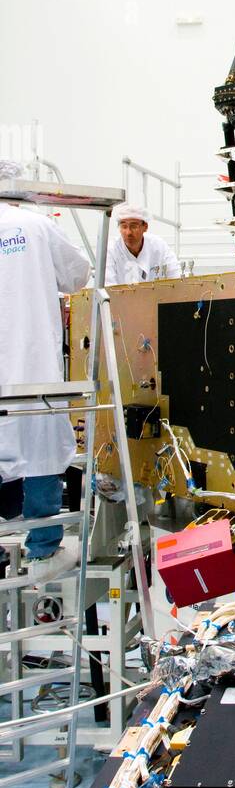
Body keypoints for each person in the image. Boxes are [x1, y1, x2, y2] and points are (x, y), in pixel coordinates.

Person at [0, 159, 92, 565]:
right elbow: (77, 276)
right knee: (39, 450)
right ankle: (42, 547)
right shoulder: (37, 226)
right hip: (32, 363)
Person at [105, 204, 181, 285]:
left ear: (145, 227)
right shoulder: (111, 250)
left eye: (133, 226)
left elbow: (175, 276)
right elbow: (108, 286)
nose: (128, 232)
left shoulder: (158, 246)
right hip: (120, 297)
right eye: (124, 226)